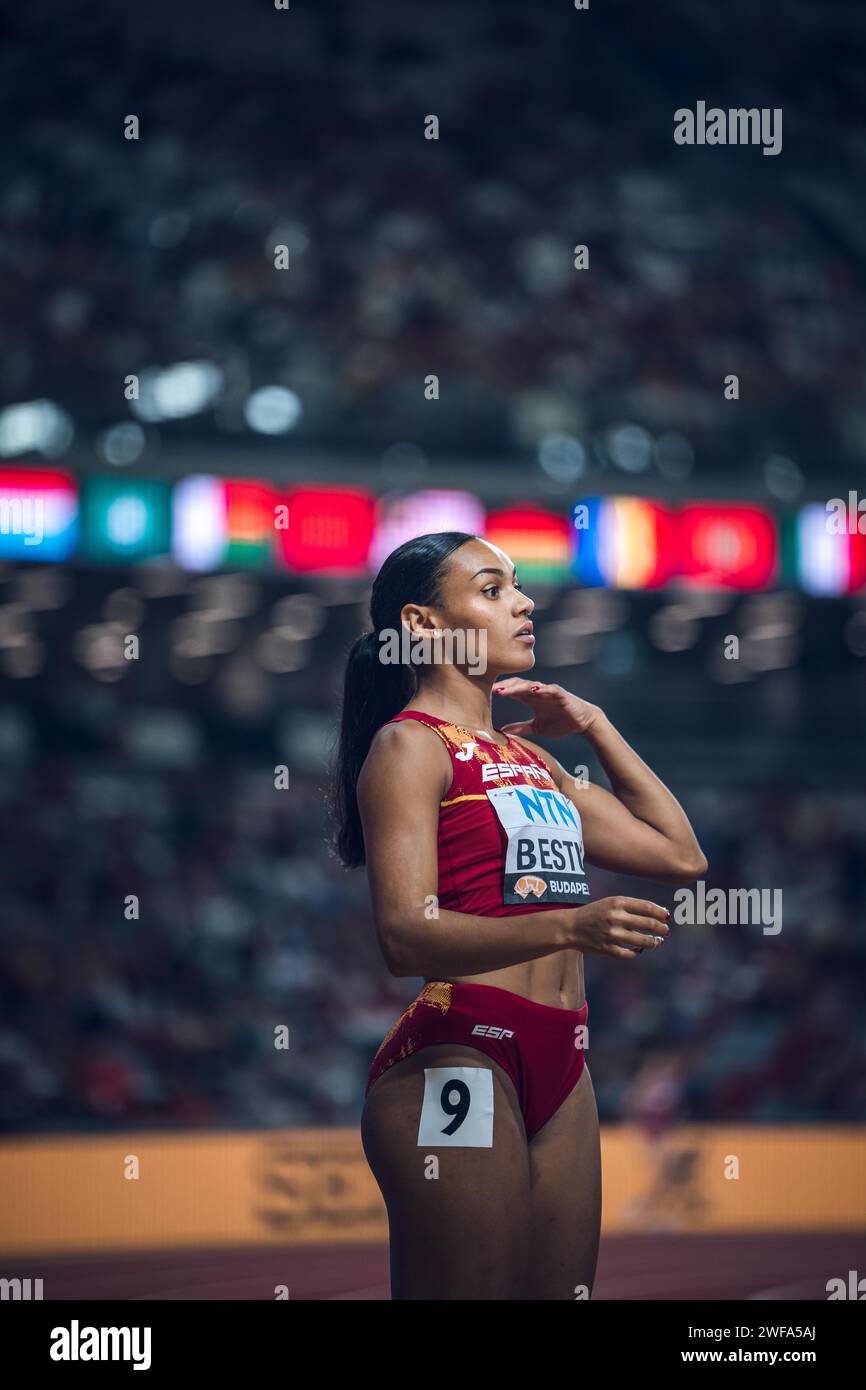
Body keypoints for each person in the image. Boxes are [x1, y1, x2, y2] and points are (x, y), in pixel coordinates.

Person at [330, 531, 707, 1299]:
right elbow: (406, 937)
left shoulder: (535, 760)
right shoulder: (409, 747)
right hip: (461, 1049)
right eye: (492, 589)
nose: (526, 602)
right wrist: (572, 925)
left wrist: (597, 726)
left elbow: (680, 855)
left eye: (517, 587)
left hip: (563, 1060)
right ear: (426, 623)